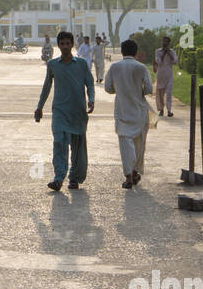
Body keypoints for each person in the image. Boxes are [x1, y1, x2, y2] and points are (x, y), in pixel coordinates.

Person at [33, 30, 95, 192]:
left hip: (78, 111)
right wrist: (40, 107)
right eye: (62, 44)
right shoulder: (53, 65)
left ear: (72, 45)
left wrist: (91, 99)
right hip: (60, 111)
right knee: (59, 143)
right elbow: (47, 86)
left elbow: (90, 83)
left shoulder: (81, 64)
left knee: (78, 148)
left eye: (68, 43)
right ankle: (59, 178)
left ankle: (74, 178)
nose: (65, 46)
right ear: (58, 45)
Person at [104, 39, 154, 190]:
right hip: (139, 110)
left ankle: (128, 177)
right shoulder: (141, 67)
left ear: (122, 51)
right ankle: (134, 171)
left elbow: (108, 88)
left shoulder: (115, 67)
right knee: (139, 144)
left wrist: (119, 90)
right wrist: (138, 91)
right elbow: (149, 89)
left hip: (122, 110)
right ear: (136, 52)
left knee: (125, 144)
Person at [153, 35, 178, 117]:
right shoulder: (158, 51)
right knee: (160, 93)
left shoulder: (172, 51)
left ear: (169, 43)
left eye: (166, 41)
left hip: (169, 74)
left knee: (169, 93)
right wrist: (164, 53)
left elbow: (175, 61)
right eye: (164, 41)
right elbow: (159, 62)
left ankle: (169, 110)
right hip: (160, 74)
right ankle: (161, 110)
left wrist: (169, 53)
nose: (165, 43)